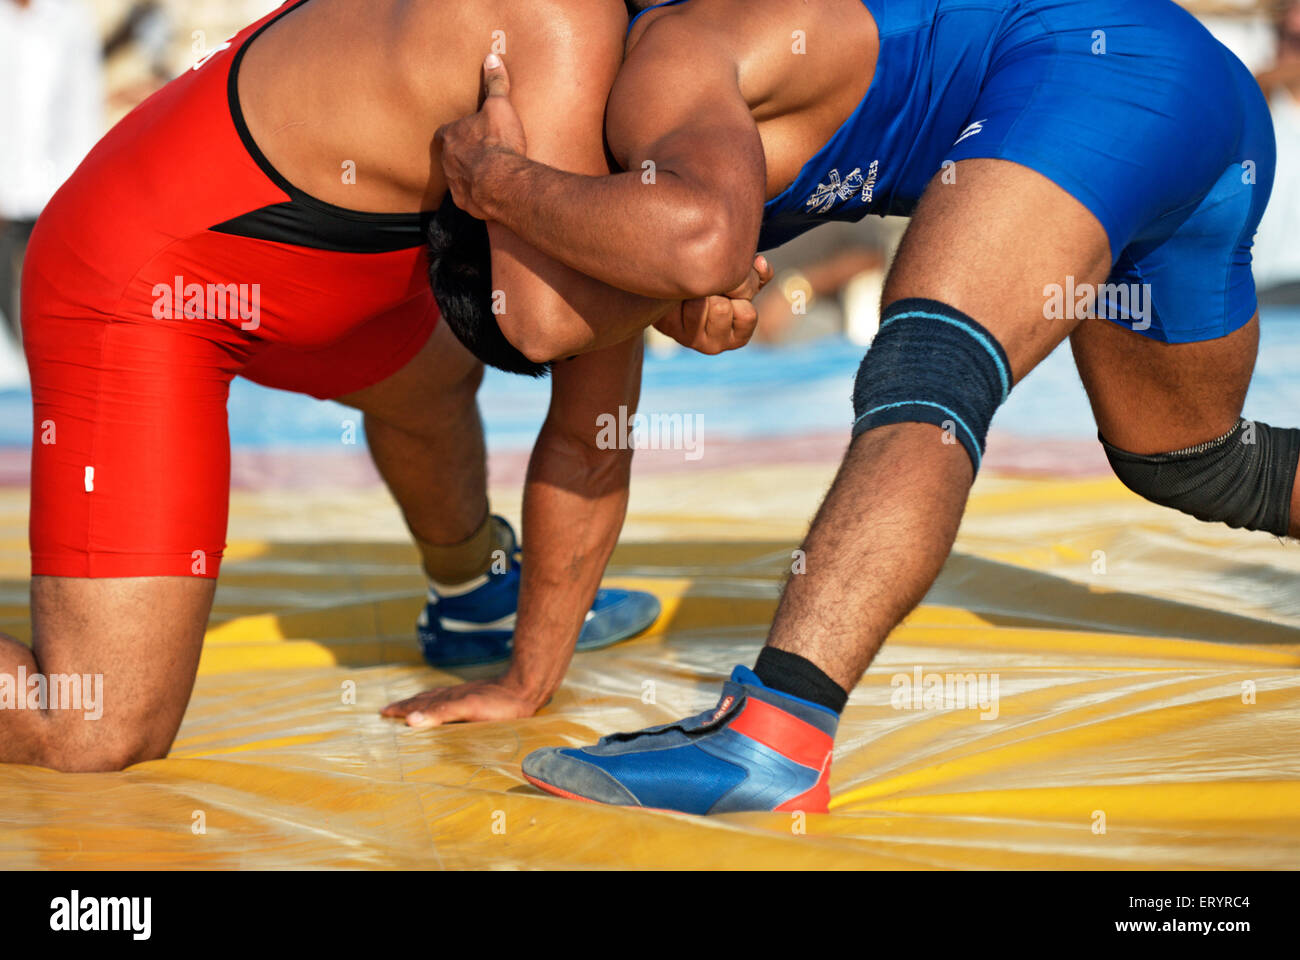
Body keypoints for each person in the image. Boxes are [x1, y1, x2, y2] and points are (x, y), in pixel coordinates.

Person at [435, 0, 1292, 814]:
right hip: (1198, 107)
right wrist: (525, 682)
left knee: (928, 370)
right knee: (1194, 458)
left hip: (1097, 65)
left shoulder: (666, 55)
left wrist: (496, 180)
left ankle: (773, 738)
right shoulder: (625, 188)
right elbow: (589, 442)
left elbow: (694, 242)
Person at [5, 0, 766, 772]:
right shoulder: (567, 24)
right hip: (141, 283)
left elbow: (591, 425)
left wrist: (527, 680)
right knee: (93, 724)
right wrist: (674, 278)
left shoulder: (646, 45)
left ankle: (471, 591)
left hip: (320, 269)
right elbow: (555, 335)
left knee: (430, 382)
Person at [0, 0, 103, 343]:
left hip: (52, 194)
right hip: (6, 197)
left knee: (53, 319)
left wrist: (78, 194)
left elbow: (82, 109)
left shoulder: (69, 18)